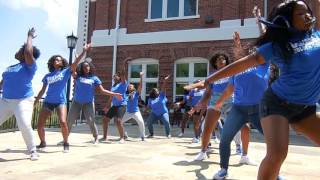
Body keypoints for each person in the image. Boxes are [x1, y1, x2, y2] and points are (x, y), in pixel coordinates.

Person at [204, 1, 320, 179]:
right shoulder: (276, 47)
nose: (307, 16)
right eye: (300, 14)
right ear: (286, 21)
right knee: (278, 153)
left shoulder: (315, 35)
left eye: (308, 12)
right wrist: (211, 78)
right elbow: (241, 65)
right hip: (277, 105)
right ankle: (226, 167)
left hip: (305, 108)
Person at [35, 44, 91, 152]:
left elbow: (75, 63)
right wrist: (36, 101)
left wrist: (84, 52)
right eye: (55, 60)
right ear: (52, 62)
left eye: (59, 60)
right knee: (40, 124)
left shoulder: (65, 72)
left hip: (60, 102)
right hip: (48, 102)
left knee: (63, 122)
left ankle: (66, 143)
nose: (57, 61)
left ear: (61, 63)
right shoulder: (48, 76)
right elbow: (42, 90)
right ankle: (42, 142)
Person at [0, 28, 40, 160]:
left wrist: (29, 36)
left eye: (21, 50)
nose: (17, 51)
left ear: (25, 54)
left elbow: (29, 51)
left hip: (23, 100)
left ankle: (33, 150)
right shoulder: (11, 67)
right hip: (5, 100)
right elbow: (3, 82)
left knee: (24, 124)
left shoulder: (30, 66)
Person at [67, 61, 122, 144]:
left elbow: (102, 90)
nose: (86, 68)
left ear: (90, 67)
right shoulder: (77, 76)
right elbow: (72, 68)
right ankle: (65, 138)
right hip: (76, 102)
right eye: (84, 67)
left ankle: (96, 137)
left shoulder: (94, 78)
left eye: (88, 66)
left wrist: (114, 94)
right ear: (81, 68)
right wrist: (78, 58)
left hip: (88, 103)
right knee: (70, 120)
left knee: (90, 120)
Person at [101, 58, 131, 143]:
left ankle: (122, 138)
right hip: (114, 105)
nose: (114, 77)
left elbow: (123, 73)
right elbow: (111, 97)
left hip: (122, 105)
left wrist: (124, 63)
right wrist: (107, 106)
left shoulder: (123, 84)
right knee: (105, 120)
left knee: (118, 121)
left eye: (116, 76)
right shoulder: (113, 87)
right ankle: (104, 137)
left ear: (119, 77)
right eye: (113, 76)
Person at [119, 72, 146, 141]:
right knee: (120, 122)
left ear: (133, 88)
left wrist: (141, 77)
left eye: (131, 86)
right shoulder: (125, 94)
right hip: (128, 112)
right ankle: (124, 135)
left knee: (141, 122)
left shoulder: (136, 93)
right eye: (128, 86)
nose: (129, 87)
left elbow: (141, 86)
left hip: (136, 112)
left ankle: (142, 136)